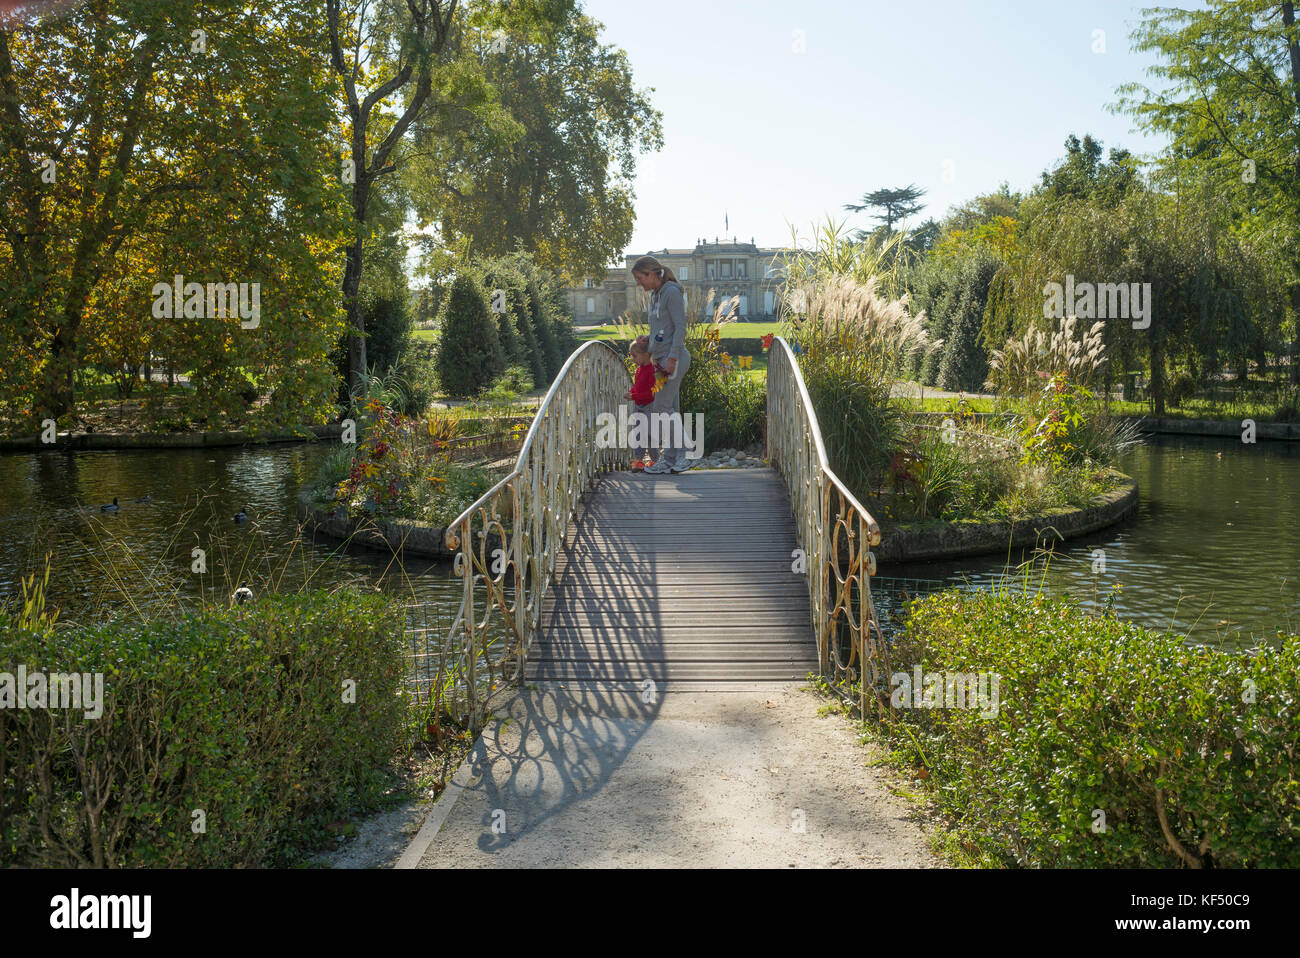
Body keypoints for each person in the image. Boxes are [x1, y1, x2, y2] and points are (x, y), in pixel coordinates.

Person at [631, 255, 692, 474]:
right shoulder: (656, 295)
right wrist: (648, 339)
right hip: (661, 361)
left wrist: (672, 358)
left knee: (661, 408)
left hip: (672, 361)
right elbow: (663, 329)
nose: (639, 283)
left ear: (651, 274)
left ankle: (685, 454)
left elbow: (680, 327)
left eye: (640, 278)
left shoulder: (671, 292)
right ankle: (671, 459)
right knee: (669, 408)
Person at [624, 337, 656, 471]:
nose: (633, 359)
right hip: (639, 406)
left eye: (635, 356)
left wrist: (634, 396)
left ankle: (655, 460)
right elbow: (637, 386)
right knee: (638, 433)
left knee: (650, 434)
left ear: (646, 355)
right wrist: (631, 392)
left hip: (649, 407)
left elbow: (652, 393)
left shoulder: (652, 370)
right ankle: (639, 460)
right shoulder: (639, 369)